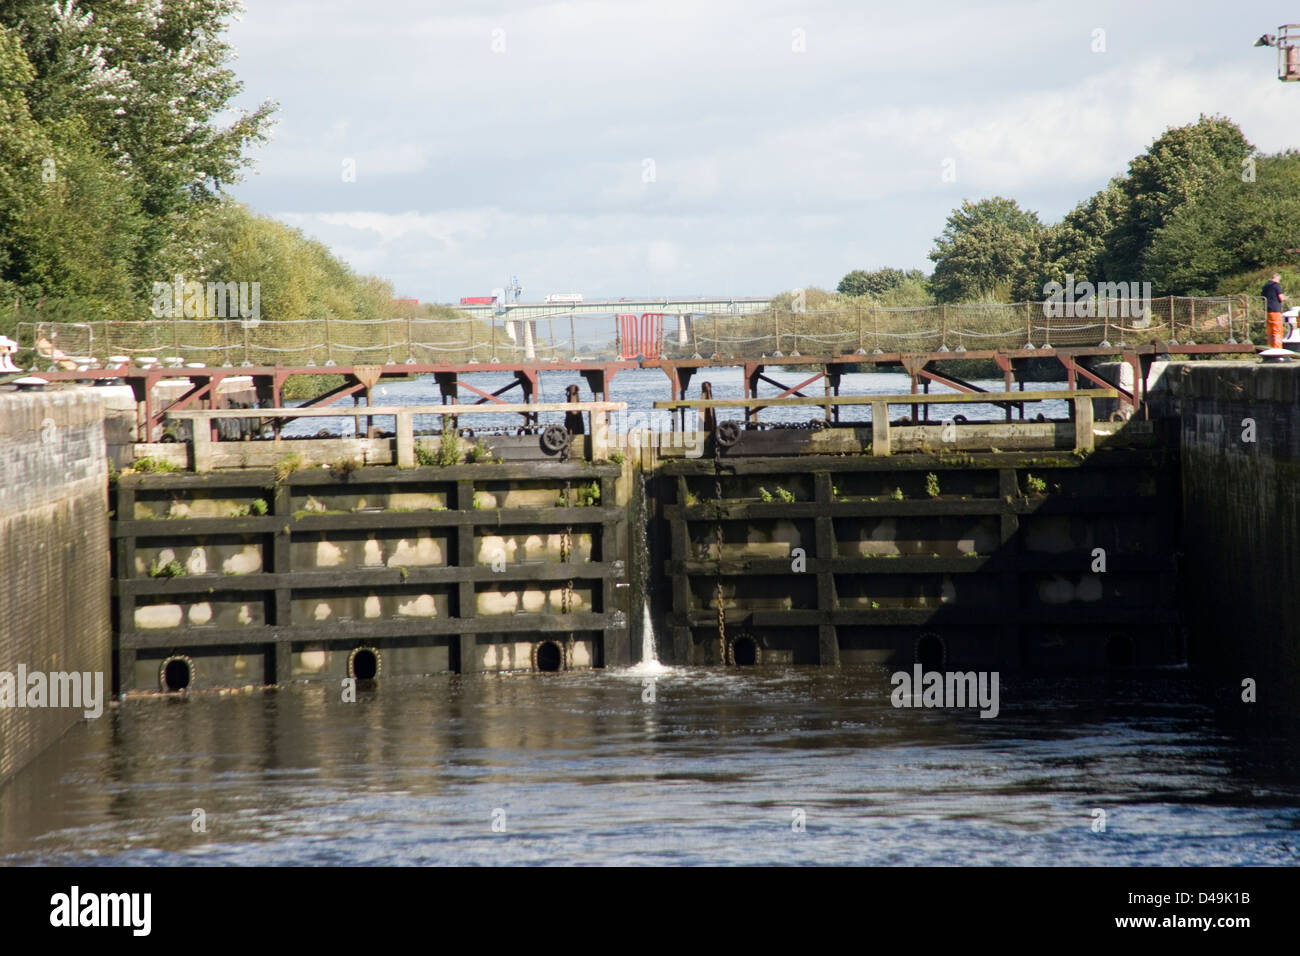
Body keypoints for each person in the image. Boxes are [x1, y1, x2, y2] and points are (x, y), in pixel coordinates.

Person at [1263, 273, 1288, 348]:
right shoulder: (1276, 285)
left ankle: (1270, 346)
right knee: (1277, 329)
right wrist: (1286, 298)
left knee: (1270, 330)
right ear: (1278, 279)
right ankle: (1277, 348)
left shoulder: (1265, 286)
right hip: (1275, 309)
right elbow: (1281, 298)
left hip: (1268, 309)